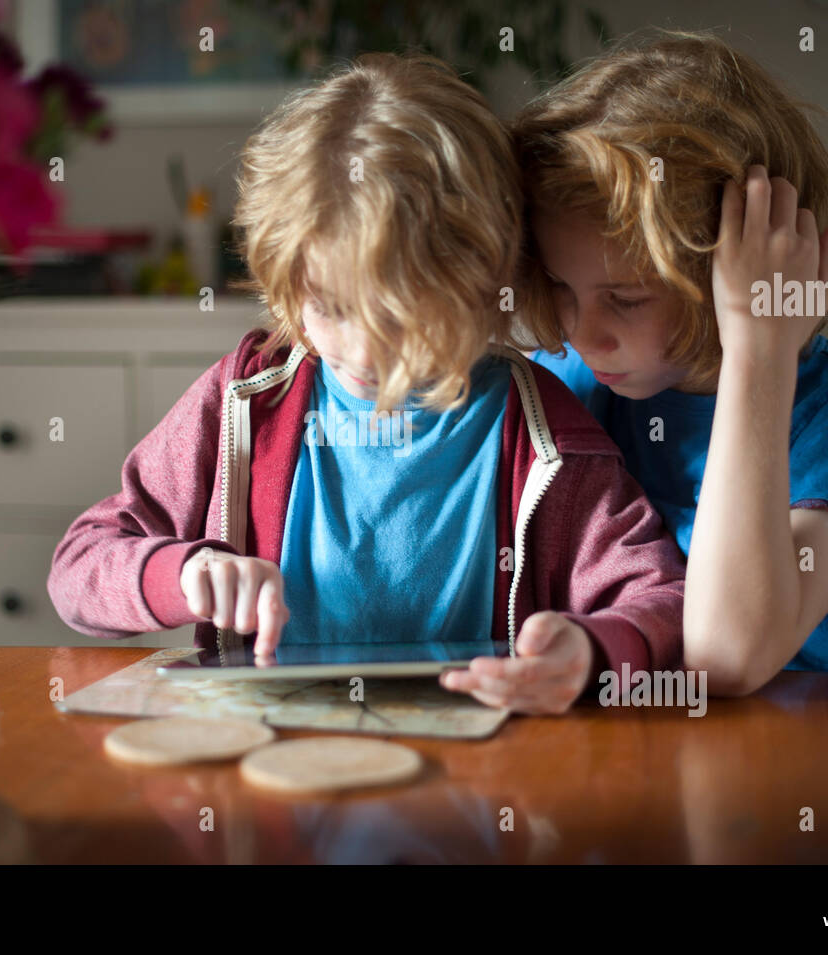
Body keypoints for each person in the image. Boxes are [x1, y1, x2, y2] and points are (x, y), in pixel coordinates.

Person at [47, 53, 686, 715]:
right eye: (330, 307)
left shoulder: (545, 438)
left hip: (478, 784)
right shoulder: (245, 399)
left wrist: (589, 651)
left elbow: (665, 600)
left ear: (486, 281)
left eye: (400, 316)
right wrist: (183, 573)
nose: (360, 351)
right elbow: (78, 568)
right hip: (272, 771)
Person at [514, 30, 828, 694]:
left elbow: (724, 657)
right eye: (561, 288)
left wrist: (757, 352)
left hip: (826, 767)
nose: (582, 332)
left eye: (625, 298)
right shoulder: (564, 387)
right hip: (628, 759)